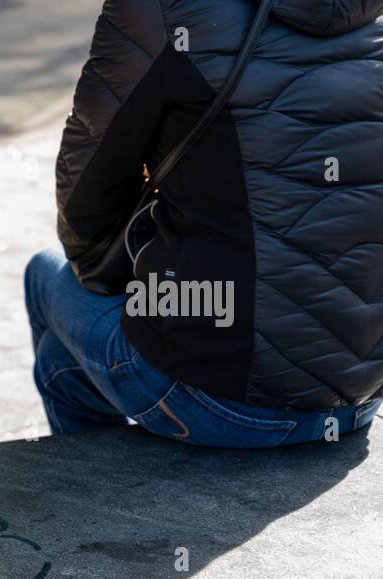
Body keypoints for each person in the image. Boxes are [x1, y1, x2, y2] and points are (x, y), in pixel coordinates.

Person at [27, 0, 383, 447]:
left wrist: (116, 274)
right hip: (359, 394)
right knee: (64, 350)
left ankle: (105, 494)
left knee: (45, 276)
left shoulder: (161, 8)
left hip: (216, 397)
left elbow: (87, 191)